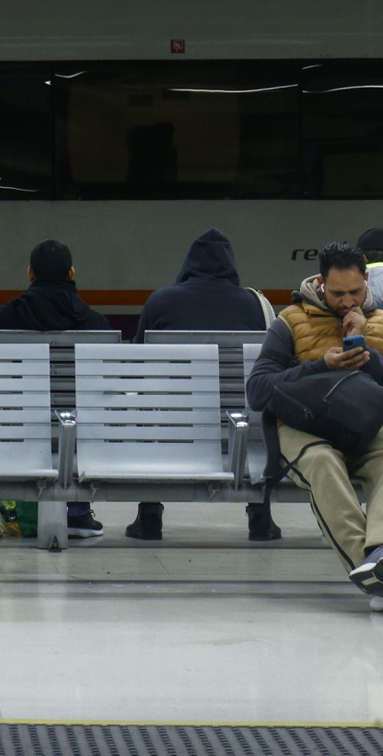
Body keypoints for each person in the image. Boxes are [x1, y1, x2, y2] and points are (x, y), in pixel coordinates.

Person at [246, 241, 383, 612]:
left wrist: (370, 357)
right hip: (303, 427)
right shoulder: (290, 322)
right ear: (321, 284)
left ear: (366, 281)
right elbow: (258, 390)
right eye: (337, 293)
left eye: (355, 292)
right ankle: (381, 573)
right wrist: (319, 366)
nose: (347, 302)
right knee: (323, 462)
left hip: (364, 426)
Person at [127, 227, 282, 542]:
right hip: (238, 424)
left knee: (150, 405)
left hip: (171, 427)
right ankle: (260, 516)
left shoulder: (160, 301)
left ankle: (149, 515)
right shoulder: (254, 305)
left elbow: (137, 363)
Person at [0, 239, 106, 540]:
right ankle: (77, 513)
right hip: (72, 430)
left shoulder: (8, 316)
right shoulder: (95, 323)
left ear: (30, 275)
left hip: (15, 429)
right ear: (71, 274)